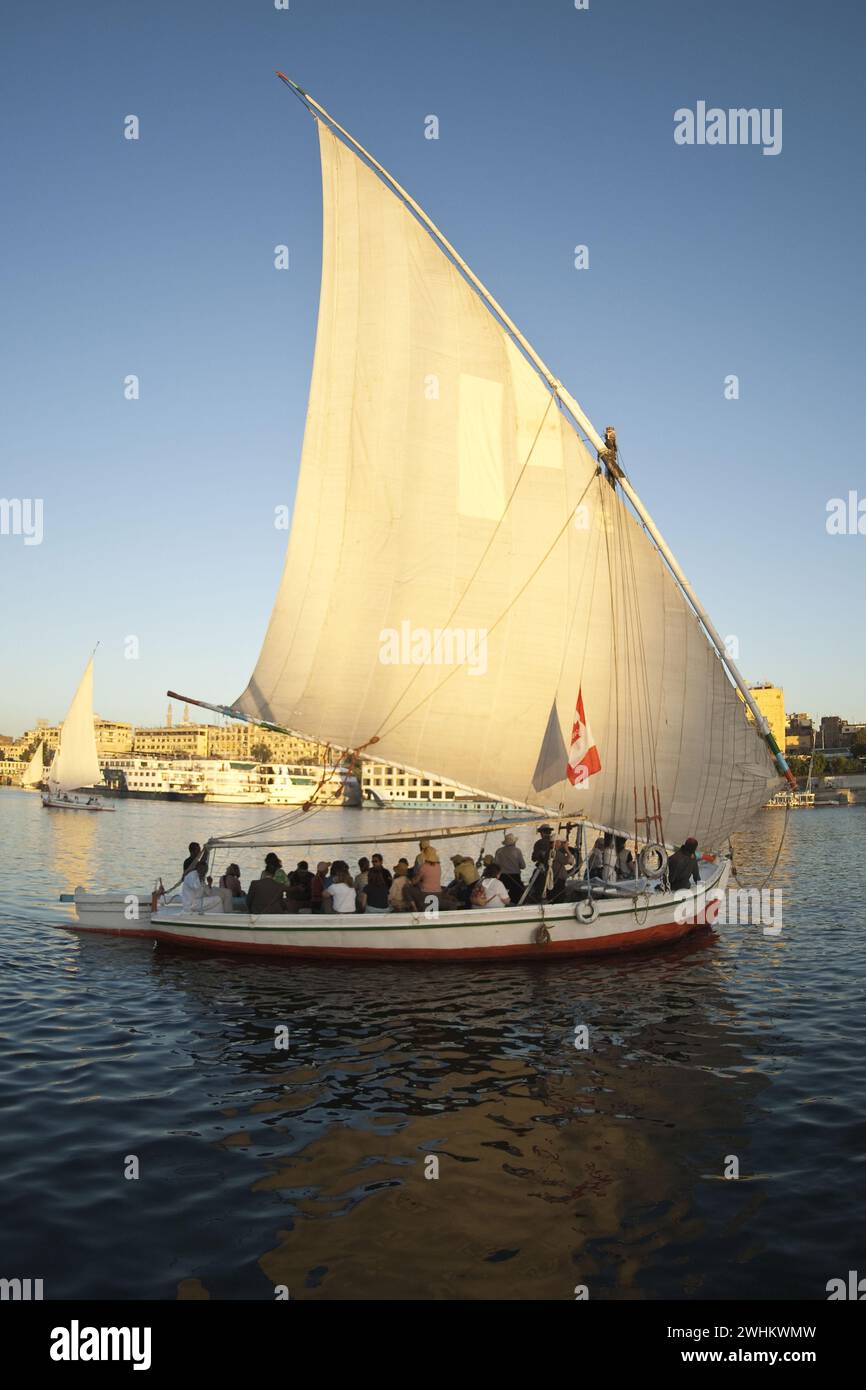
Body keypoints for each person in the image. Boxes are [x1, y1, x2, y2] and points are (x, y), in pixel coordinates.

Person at [494, 833, 526, 903]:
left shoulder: (499, 851)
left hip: (503, 877)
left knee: (502, 895)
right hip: (515, 877)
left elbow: (495, 865)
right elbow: (523, 866)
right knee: (516, 896)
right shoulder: (517, 851)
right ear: (514, 842)